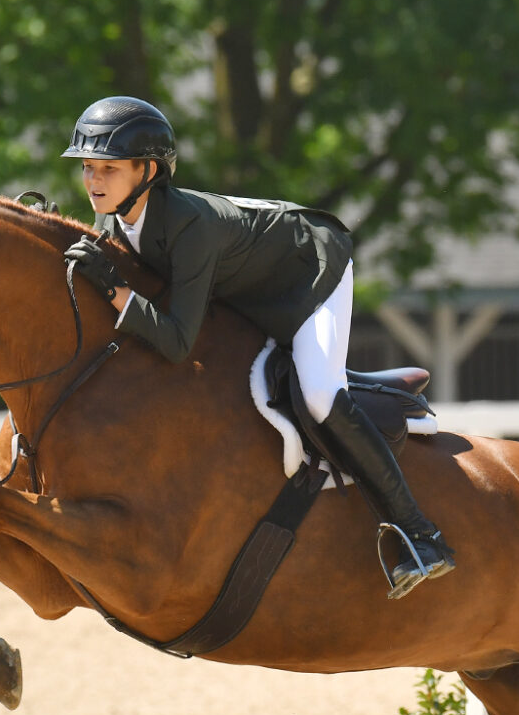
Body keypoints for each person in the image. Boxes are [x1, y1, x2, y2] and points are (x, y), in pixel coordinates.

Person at [59, 95, 455, 599]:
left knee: (317, 396)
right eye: (89, 168)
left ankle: (421, 536)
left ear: (148, 169)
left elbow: (178, 341)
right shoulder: (115, 219)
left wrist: (114, 290)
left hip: (309, 269)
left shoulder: (189, 225)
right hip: (247, 287)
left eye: (108, 168)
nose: (93, 180)